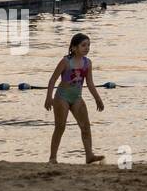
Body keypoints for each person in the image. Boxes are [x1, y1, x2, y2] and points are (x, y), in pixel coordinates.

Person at [44, 33, 104, 164]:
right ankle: (52, 157)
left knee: (86, 126)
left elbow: (90, 83)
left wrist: (98, 99)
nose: (87, 48)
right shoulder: (66, 61)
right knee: (60, 127)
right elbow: (53, 79)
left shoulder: (87, 63)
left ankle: (89, 155)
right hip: (62, 97)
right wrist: (49, 97)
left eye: (88, 45)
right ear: (74, 47)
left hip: (76, 97)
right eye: (83, 45)